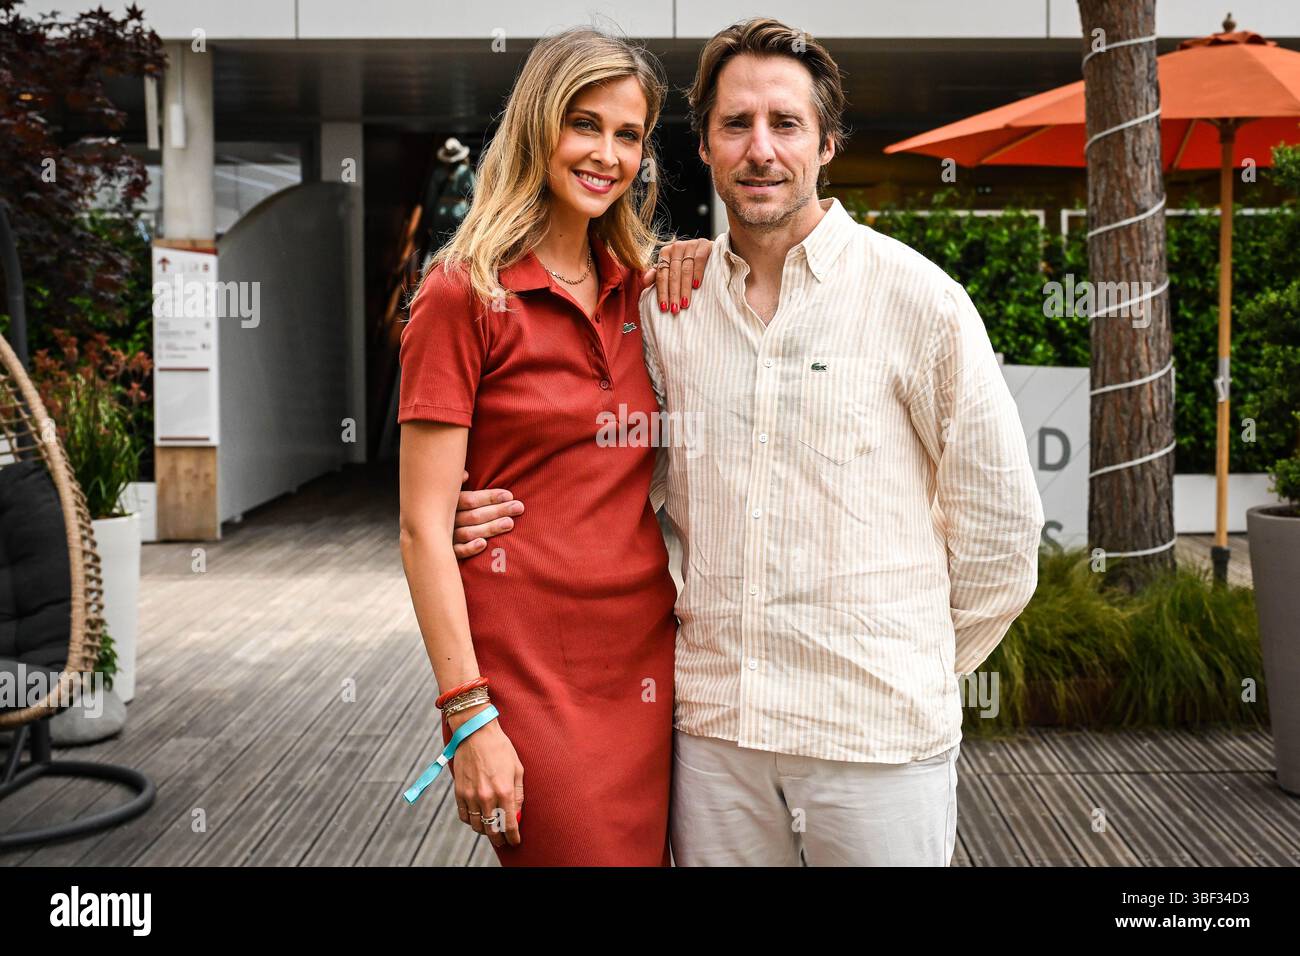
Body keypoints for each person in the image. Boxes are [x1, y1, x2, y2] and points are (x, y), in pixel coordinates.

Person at [457, 17, 1044, 866]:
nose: (760, 148)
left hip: (873, 746)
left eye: (786, 124)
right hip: (714, 740)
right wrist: (469, 514)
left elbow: (1002, 536)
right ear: (704, 145)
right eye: (736, 125)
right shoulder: (668, 309)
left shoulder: (919, 303)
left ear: (828, 144)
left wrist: (905, 664)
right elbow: (600, 464)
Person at [397, 26, 708, 866]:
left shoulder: (649, 290)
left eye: (628, 134)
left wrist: (708, 254)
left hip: (650, 661)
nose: (606, 153)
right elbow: (424, 527)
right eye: (584, 123)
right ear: (538, 126)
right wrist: (468, 717)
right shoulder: (462, 292)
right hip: (530, 679)